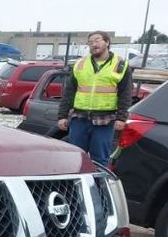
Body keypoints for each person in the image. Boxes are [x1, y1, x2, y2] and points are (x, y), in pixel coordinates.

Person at [56, 31, 131, 166]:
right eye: (90, 42)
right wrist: (62, 115)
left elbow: (125, 93)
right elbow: (69, 92)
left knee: (100, 159)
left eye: (97, 40)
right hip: (79, 118)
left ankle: (98, 185)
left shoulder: (120, 65)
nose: (93, 45)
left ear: (107, 42)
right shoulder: (80, 64)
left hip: (105, 120)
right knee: (76, 157)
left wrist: (121, 117)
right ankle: (76, 185)